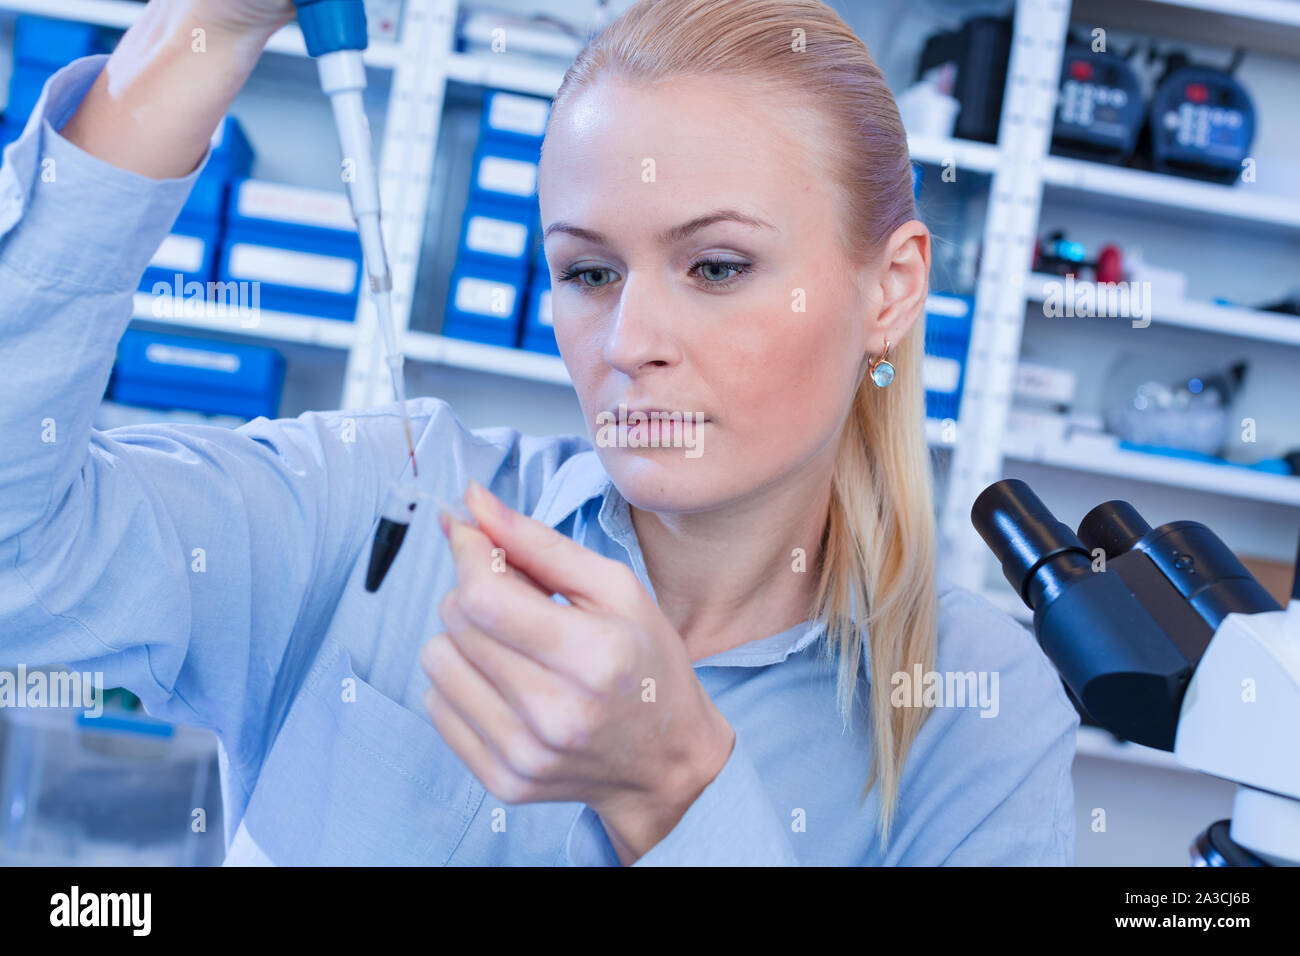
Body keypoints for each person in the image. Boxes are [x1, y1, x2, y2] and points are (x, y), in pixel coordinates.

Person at [0, 0, 1078, 865]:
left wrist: (671, 787)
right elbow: (20, 567)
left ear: (889, 290)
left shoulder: (972, 708)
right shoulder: (389, 499)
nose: (630, 339)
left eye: (715, 266)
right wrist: (205, 26)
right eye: (589, 272)